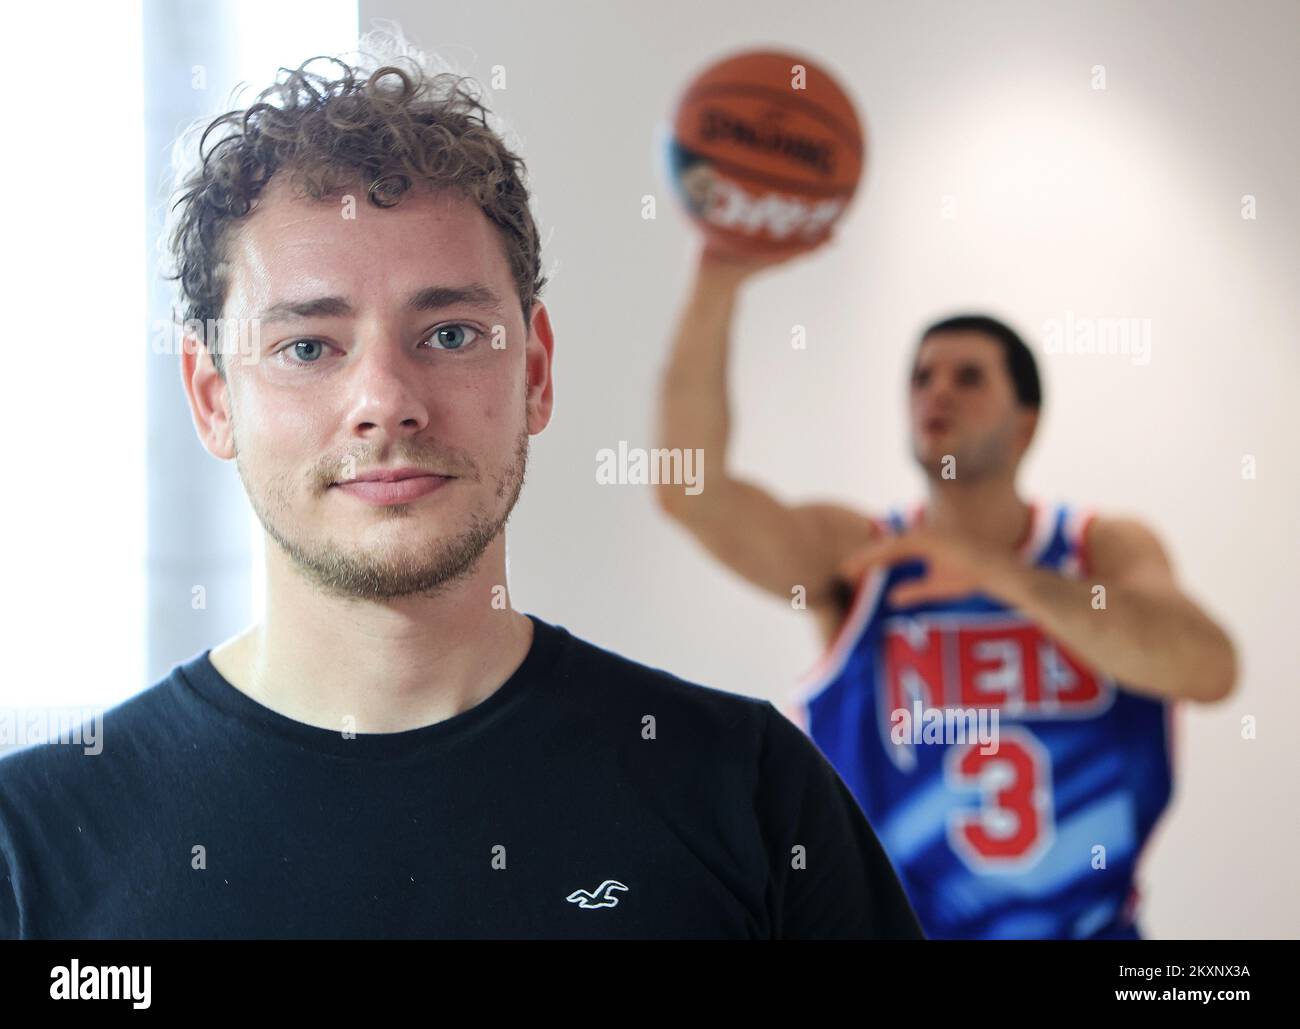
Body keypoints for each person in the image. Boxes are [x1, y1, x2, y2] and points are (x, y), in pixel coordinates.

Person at [0, 46, 922, 941]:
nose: (386, 404)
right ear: (212, 400)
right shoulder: (34, 845)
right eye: (308, 347)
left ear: (536, 370)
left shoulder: (752, 794)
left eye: (448, 335)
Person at [655, 241, 1239, 939]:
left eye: (969, 376)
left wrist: (997, 571)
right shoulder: (865, 556)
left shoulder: (1100, 549)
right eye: (922, 375)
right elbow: (692, 493)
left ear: (1025, 421)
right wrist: (719, 275)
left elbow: (1208, 666)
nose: (937, 390)